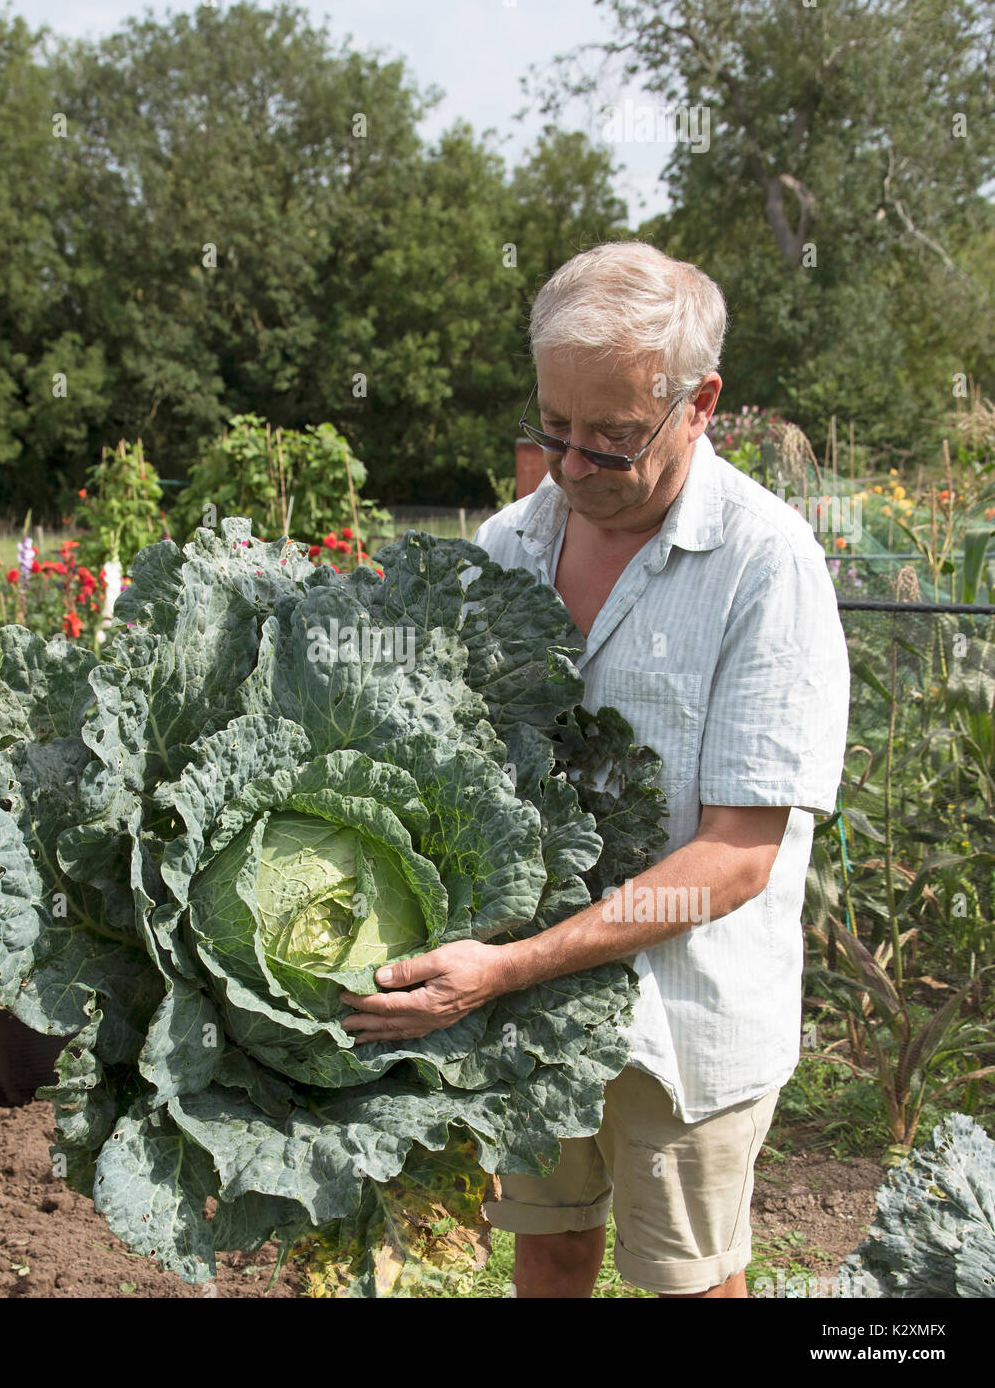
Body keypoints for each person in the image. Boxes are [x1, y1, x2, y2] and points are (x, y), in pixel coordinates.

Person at [340, 241, 850, 1299]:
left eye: (612, 440)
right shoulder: (503, 547)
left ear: (700, 402)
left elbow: (737, 856)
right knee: (554, 1242)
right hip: (517, 1004)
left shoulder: (767, 564)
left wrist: (515, 964)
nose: (571, 468)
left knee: (690, 1279)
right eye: (554, 428)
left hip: (684, 1015)